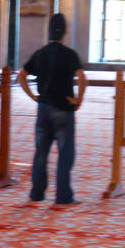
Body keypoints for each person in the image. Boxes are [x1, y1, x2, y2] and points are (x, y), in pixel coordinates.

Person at [19, 12, 87, 208]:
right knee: (65, 154)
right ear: (65, 31)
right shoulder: (69, 54)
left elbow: (21, 76)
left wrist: (32, 96)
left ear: (48, 31)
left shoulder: (40, 54)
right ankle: (63, 196)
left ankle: (37, 194)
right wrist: (78, 100)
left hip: (43, 108)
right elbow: (82, 78)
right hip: (63, 110)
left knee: (41, 152)